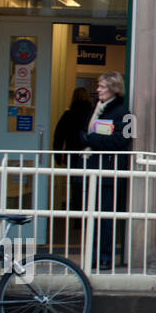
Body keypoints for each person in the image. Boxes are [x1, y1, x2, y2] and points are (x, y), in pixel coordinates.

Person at [78, 72, 131, 271]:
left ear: (114, 88)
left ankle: (105, 257)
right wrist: (88, 138)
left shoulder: (124, 112)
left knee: (106, 217)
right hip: (90, 169)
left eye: (102, 86)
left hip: (108, 171)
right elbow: (81, 133)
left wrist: (90, 139)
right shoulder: (95, 109)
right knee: (90, 214)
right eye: (98, 86)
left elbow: (120, 141)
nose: (98, 90)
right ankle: (91, 256)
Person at [52, 86, 92, 217]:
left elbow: (58, 135)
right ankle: (88, 213)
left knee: (75, 185)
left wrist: (57, 155)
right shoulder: (92, 114)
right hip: (89, 154)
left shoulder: (68, 114)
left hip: (72, 154)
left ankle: (76, 215)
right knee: (90, 184)